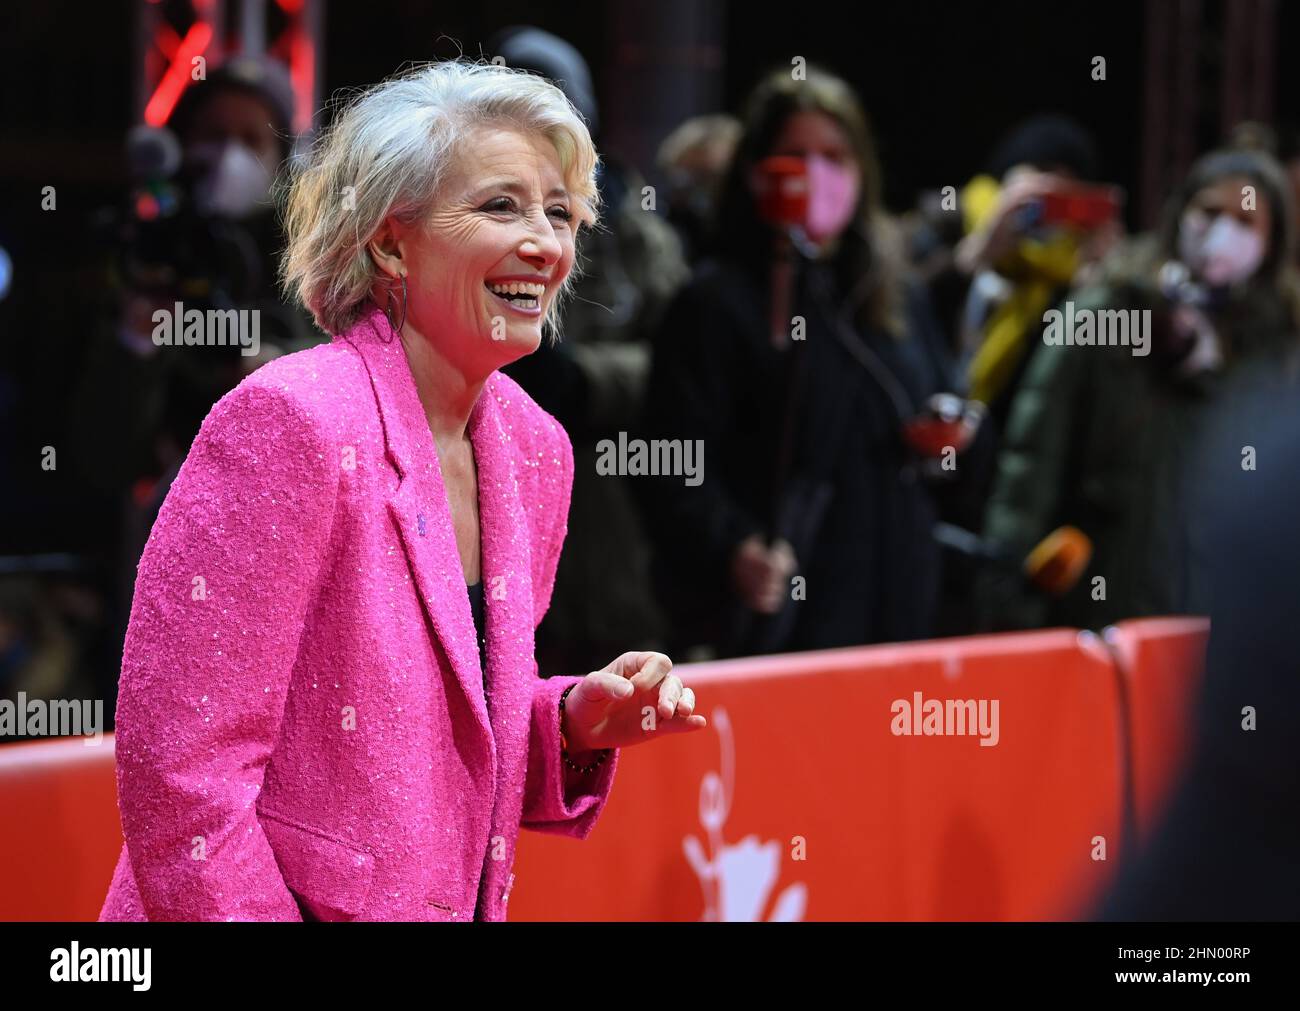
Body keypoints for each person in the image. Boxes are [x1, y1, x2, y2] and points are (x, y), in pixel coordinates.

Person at [97, 59, 706, 924]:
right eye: (501, 205)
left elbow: (429, 746)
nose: (546, 242)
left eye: (560, 212)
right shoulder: (289, 421)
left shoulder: (537, 452)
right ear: (390, 241)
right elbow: (184, 778)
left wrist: (568, 721)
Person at [639, 65, 955, 658]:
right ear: (757, 173)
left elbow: (948, 408)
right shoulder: (716, 301)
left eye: (836, 156)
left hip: (899, 621)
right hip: (782, 634)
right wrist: (732, 547)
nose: (817, 175)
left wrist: (951, 440)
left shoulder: (896, 296)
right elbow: (667, 462)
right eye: (796, 156)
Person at [980, 147, 1300, 630]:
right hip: (1098, 619)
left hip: (1213, 639)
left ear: (1270, 244)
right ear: (1179, 216)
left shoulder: (1276, 353)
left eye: (1246, 221)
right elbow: (1030, 468)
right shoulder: (1106, 314)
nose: (1223, 232)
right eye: (1210, 212)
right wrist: (1011, 606)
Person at [490, 26, 690, 677]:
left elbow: (680, 368)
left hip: (608, 514)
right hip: (483, 498)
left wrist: (579, 378)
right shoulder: (460, 217)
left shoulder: (638, 236)